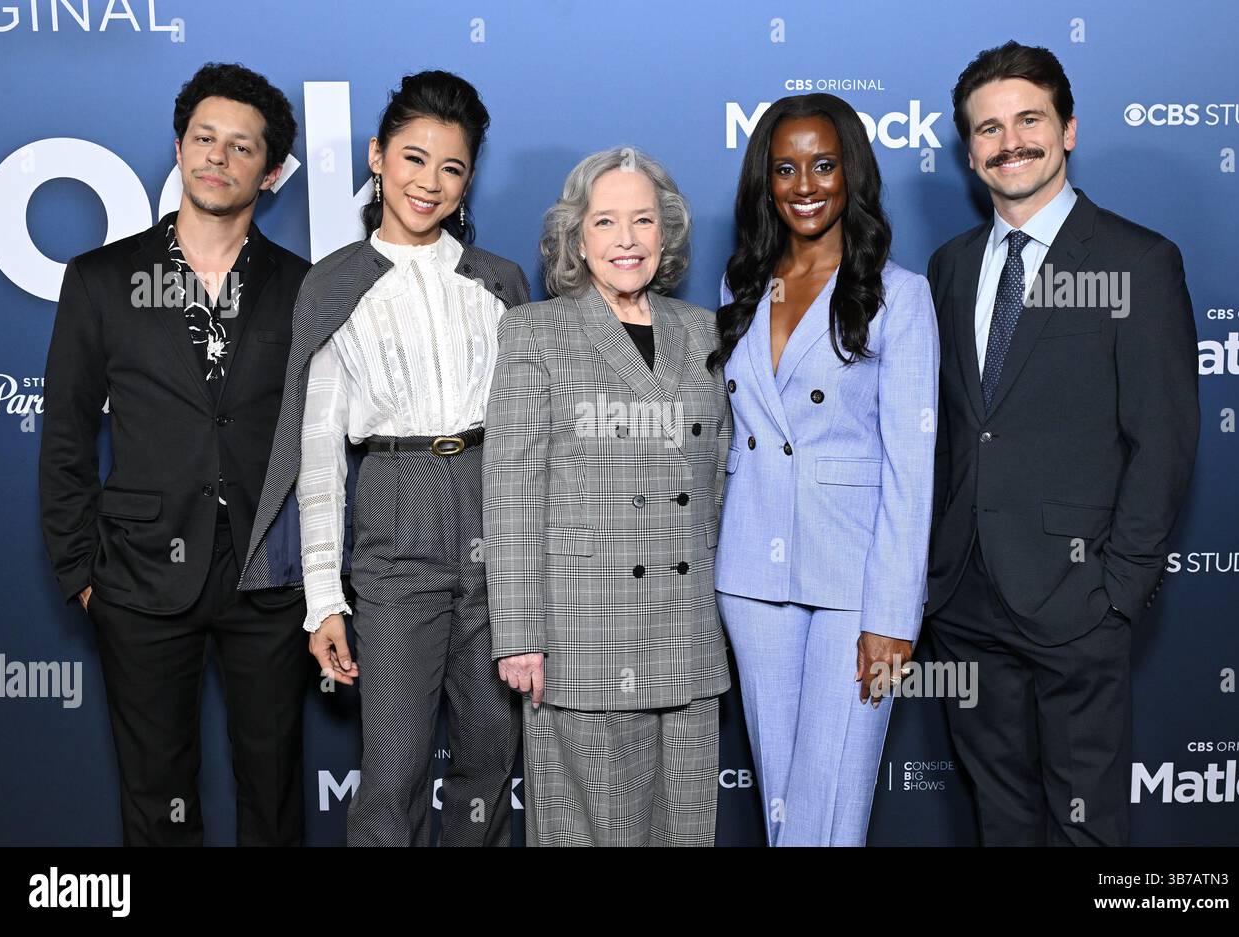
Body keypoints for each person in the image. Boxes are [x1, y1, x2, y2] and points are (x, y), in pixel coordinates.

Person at [238, 70, 528, 847]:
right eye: (412, 158)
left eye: (452, 166)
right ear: (376, 157)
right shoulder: (334, 284)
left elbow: (533, 435)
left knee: (490, 763)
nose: (428, 182)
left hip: (492, 510)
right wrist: (324, 598)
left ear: (469, 181)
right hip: (393, 511)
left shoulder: (499, 281)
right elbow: (320, 456)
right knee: (393, 768)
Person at [925, 41, 1199, 845]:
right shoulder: (948, 268)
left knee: (1089, 828)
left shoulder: (1136, 261)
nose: (1009, 141)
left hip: (1078, 602)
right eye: (988, 129)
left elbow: (1165, 440)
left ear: (1069, 130)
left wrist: (1117, 593)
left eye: (1029, 120)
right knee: (1000, 820)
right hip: (964, 600)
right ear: (969, 151)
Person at [38, 62, 312, 845]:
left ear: (271, 171)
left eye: (241, 146)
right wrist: (83, 574)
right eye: (204, 138)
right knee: (157, 801)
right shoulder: (100, 278)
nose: (218, 157)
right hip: (139, 576)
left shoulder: (304, 286)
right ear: (180, 145)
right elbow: (64, 436)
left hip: (268, 577)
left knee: (275, 793)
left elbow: (323, 441)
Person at [485, 147, 731, 846]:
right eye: (606, 221)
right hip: (580, 633)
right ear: (576, 237)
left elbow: (714, 482)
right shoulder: (536, 331)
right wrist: (519, 635)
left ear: (666, 232)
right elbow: (511, 490)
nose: (627, 239)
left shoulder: (704, 331)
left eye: (644, 220)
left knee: (683, 830)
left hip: (685, 632)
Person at [712, 94, 938, 846]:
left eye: (822, 164)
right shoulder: (739, 285)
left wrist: (892, 618)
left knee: (829, 808)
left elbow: (912, 465)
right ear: (764, 180)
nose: (804, 183)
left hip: (855, 583)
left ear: (852, 174)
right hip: (752, 575)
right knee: (783, 804)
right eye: (785, 167)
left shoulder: (899, 297)